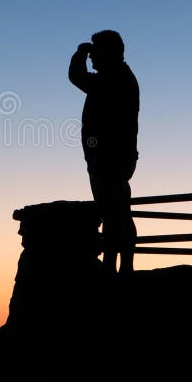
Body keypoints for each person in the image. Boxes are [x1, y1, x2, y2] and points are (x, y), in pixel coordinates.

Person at [68, 29, 139, 275]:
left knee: (115, 211)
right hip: (111, 155)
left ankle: (119, 267)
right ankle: (116, 265)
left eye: (95, 52)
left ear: (108, 53)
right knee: (114, 211)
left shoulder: (112, 79)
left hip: (110, 156)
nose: (92, 58)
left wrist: (79, 52)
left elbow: (77, 77)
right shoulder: (116, 77)